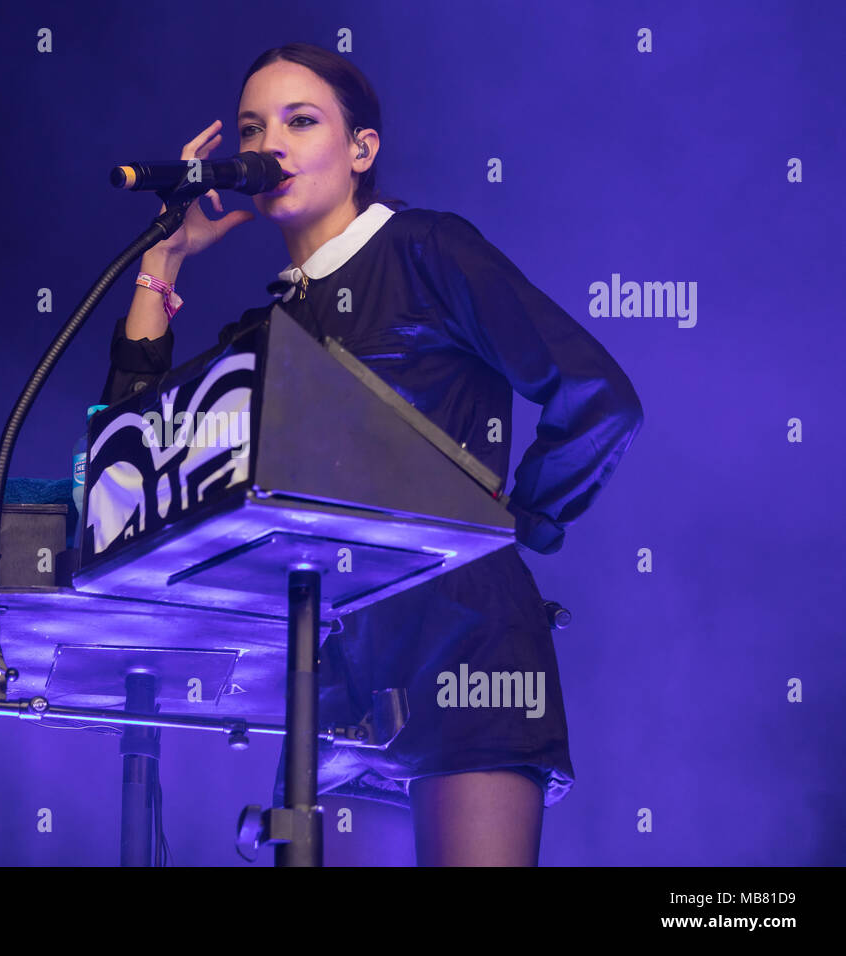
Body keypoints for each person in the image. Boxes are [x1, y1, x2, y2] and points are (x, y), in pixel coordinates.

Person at [98, 42, 644, 865]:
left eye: (300, 120)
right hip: (336, 683)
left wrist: (522, 521)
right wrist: (160, 263)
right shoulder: (269, 329)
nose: (266, 144)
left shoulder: (428, 250)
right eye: (252, 127)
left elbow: (598, 394)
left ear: (362, 150)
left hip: (466, 655)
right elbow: (129, 469)